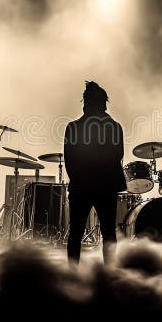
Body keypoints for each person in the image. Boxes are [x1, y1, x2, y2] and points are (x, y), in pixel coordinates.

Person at [64, 81, 126, 265]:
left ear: (86, 103)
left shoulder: (73, 127)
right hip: (106, 186)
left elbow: (69, 159)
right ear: (103, 104)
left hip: (81, 185)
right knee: (108, 232)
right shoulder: (114, 127)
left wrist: (78, 180)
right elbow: (118, 155)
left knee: (75, 232)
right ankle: (110, 274)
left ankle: (72, 273)